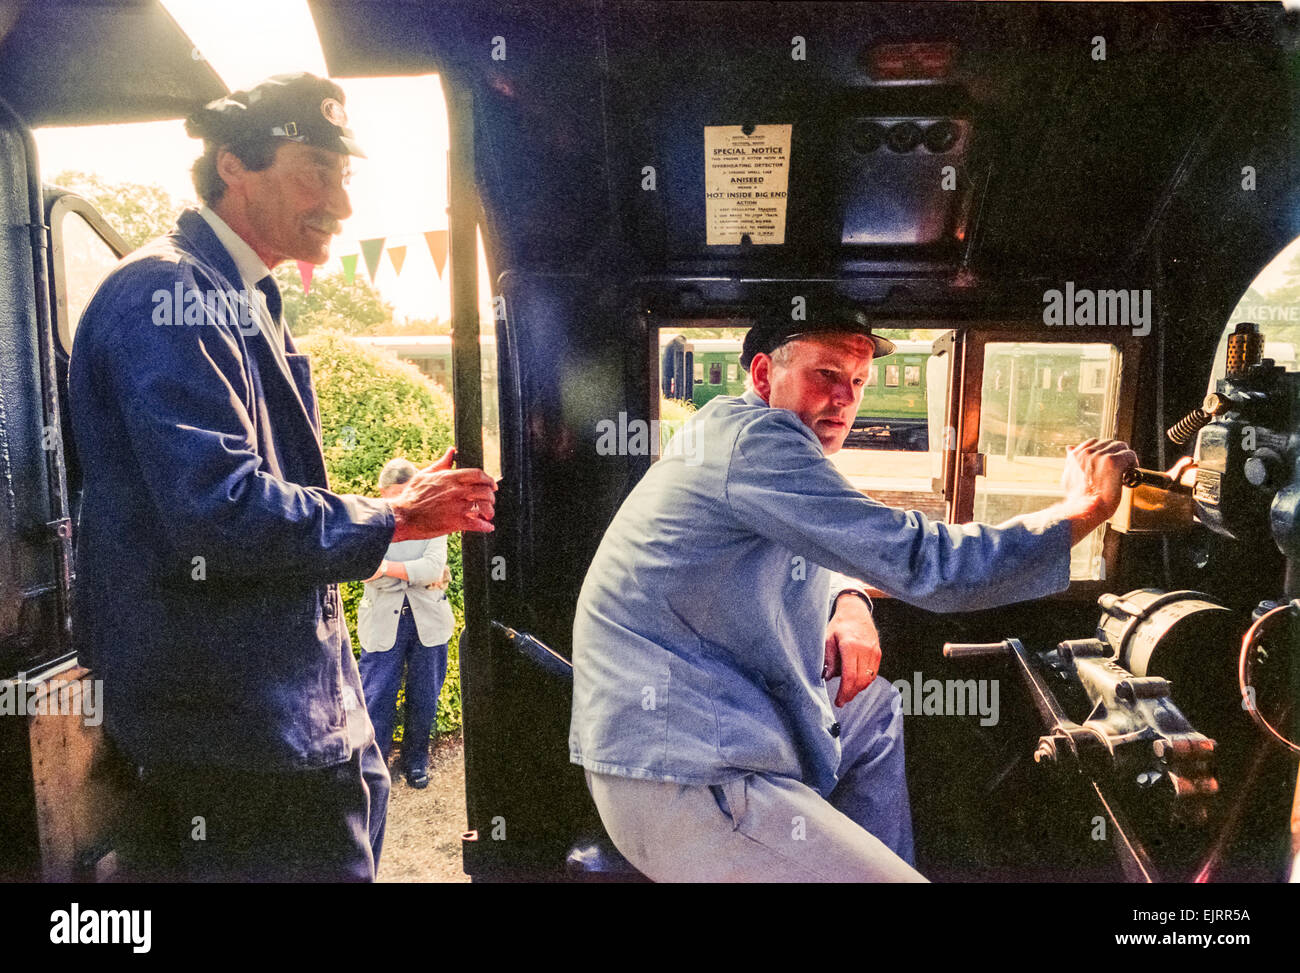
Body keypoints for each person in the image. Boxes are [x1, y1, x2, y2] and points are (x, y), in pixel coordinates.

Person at [68, 73, 496, 882]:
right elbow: (219, 509)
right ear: (234, 163)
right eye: (315, 171)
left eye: (345, 177)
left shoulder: (238, 294)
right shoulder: (168, 292)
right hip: (235, 736)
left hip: (278, 716)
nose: (340, 202)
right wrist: (392, 516)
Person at [569, 307, 1136, 882]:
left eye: (858, 382)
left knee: (874, 708)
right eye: (826, 374)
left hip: (721, 718)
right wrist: (1084, 509)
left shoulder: (733, 430)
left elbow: (833, 540)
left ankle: (878, 863)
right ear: (764, 374)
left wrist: (851, 602)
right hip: (688, 772)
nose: (845, 398)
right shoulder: (759, 443)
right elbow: (925, 562)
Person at [358, 458, 456, 789]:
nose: (401, 501)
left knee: (424, 696)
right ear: (382, 492)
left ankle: (415, 761)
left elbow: (433, 568)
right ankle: (374, 767)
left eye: (407, 492)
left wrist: (386, 568)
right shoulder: (369, 520)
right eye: (394, 494)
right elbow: (366, 570)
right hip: (382, 623)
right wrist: (411, 574)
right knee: (377, 697)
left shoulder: (434, 519)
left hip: (428, 623)